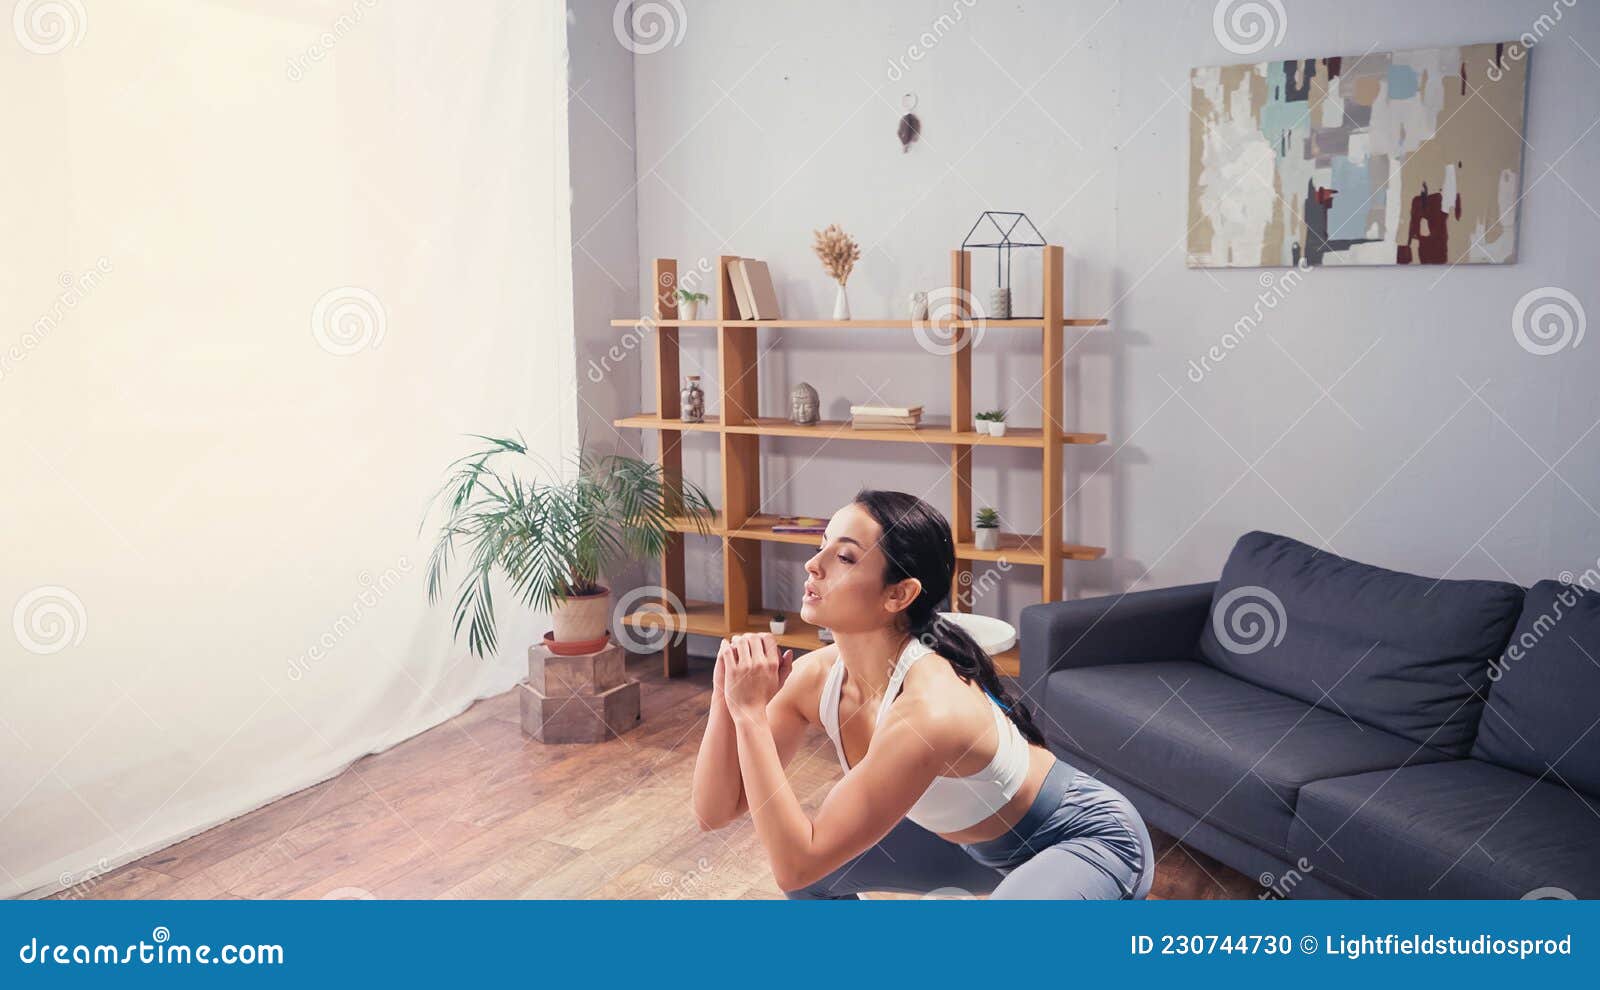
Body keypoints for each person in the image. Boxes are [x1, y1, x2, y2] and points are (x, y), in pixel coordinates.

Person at [690, 489, 1154, 899]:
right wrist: (724, 698)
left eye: (845, 557)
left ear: (899, 594)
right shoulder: (816, 679)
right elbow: (715, 811)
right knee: (817, 877)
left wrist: (750, 715)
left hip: (1083, 840)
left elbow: (795, 864)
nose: (814, 563)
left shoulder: (929, 710)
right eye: (821, 545)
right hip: (970, 848)